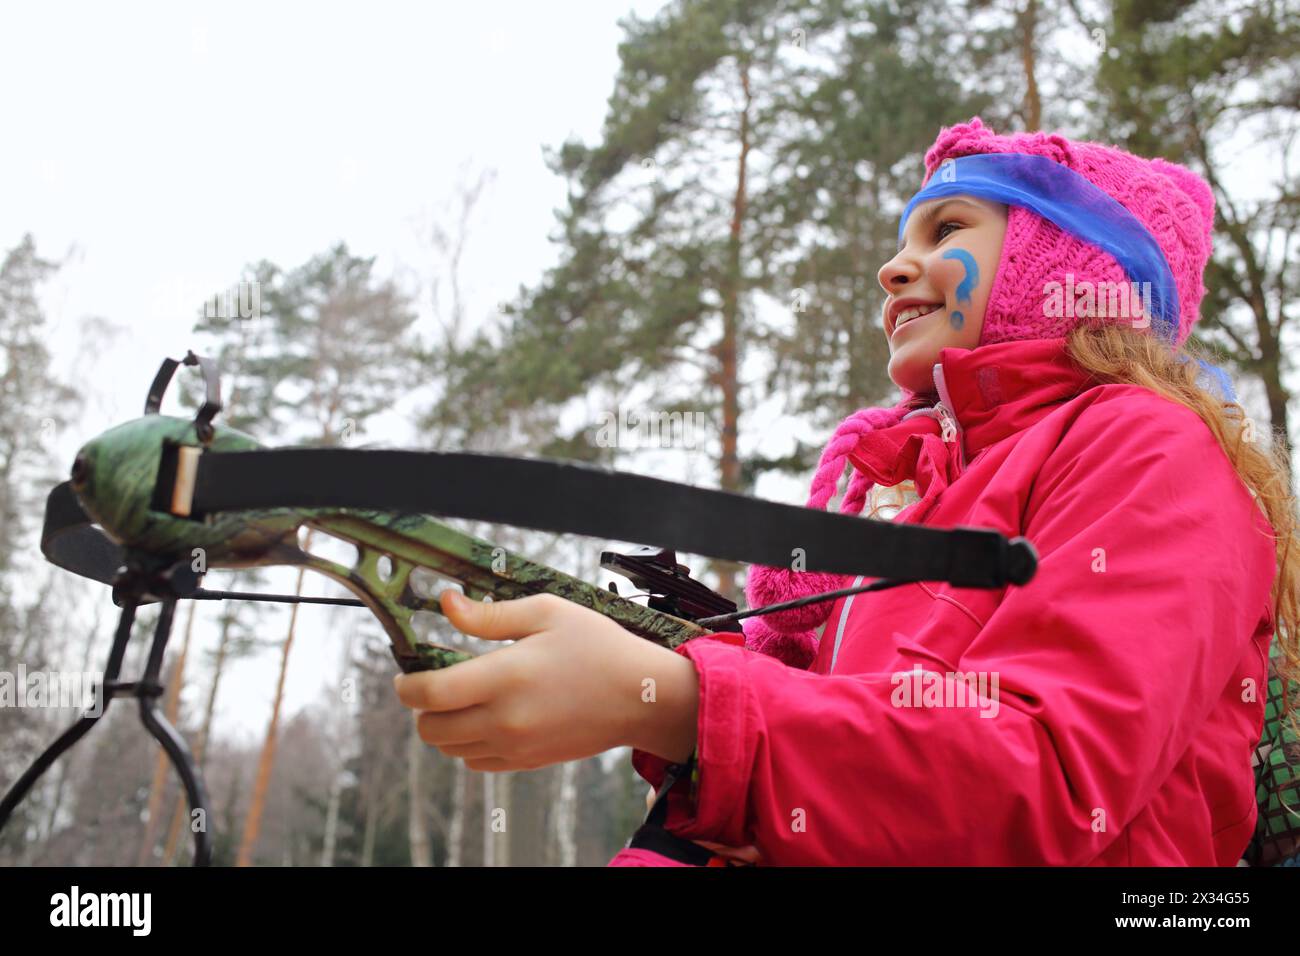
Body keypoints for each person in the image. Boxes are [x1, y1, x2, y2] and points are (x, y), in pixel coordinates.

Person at [392, 117, 1300, 866]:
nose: (892, 268)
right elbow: (856, 796)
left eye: (947, 231)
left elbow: (1047, 779)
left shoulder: (1152, 446)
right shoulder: (915, 495)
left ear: (1064, 262)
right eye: (904, 238)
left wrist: (672, 700)